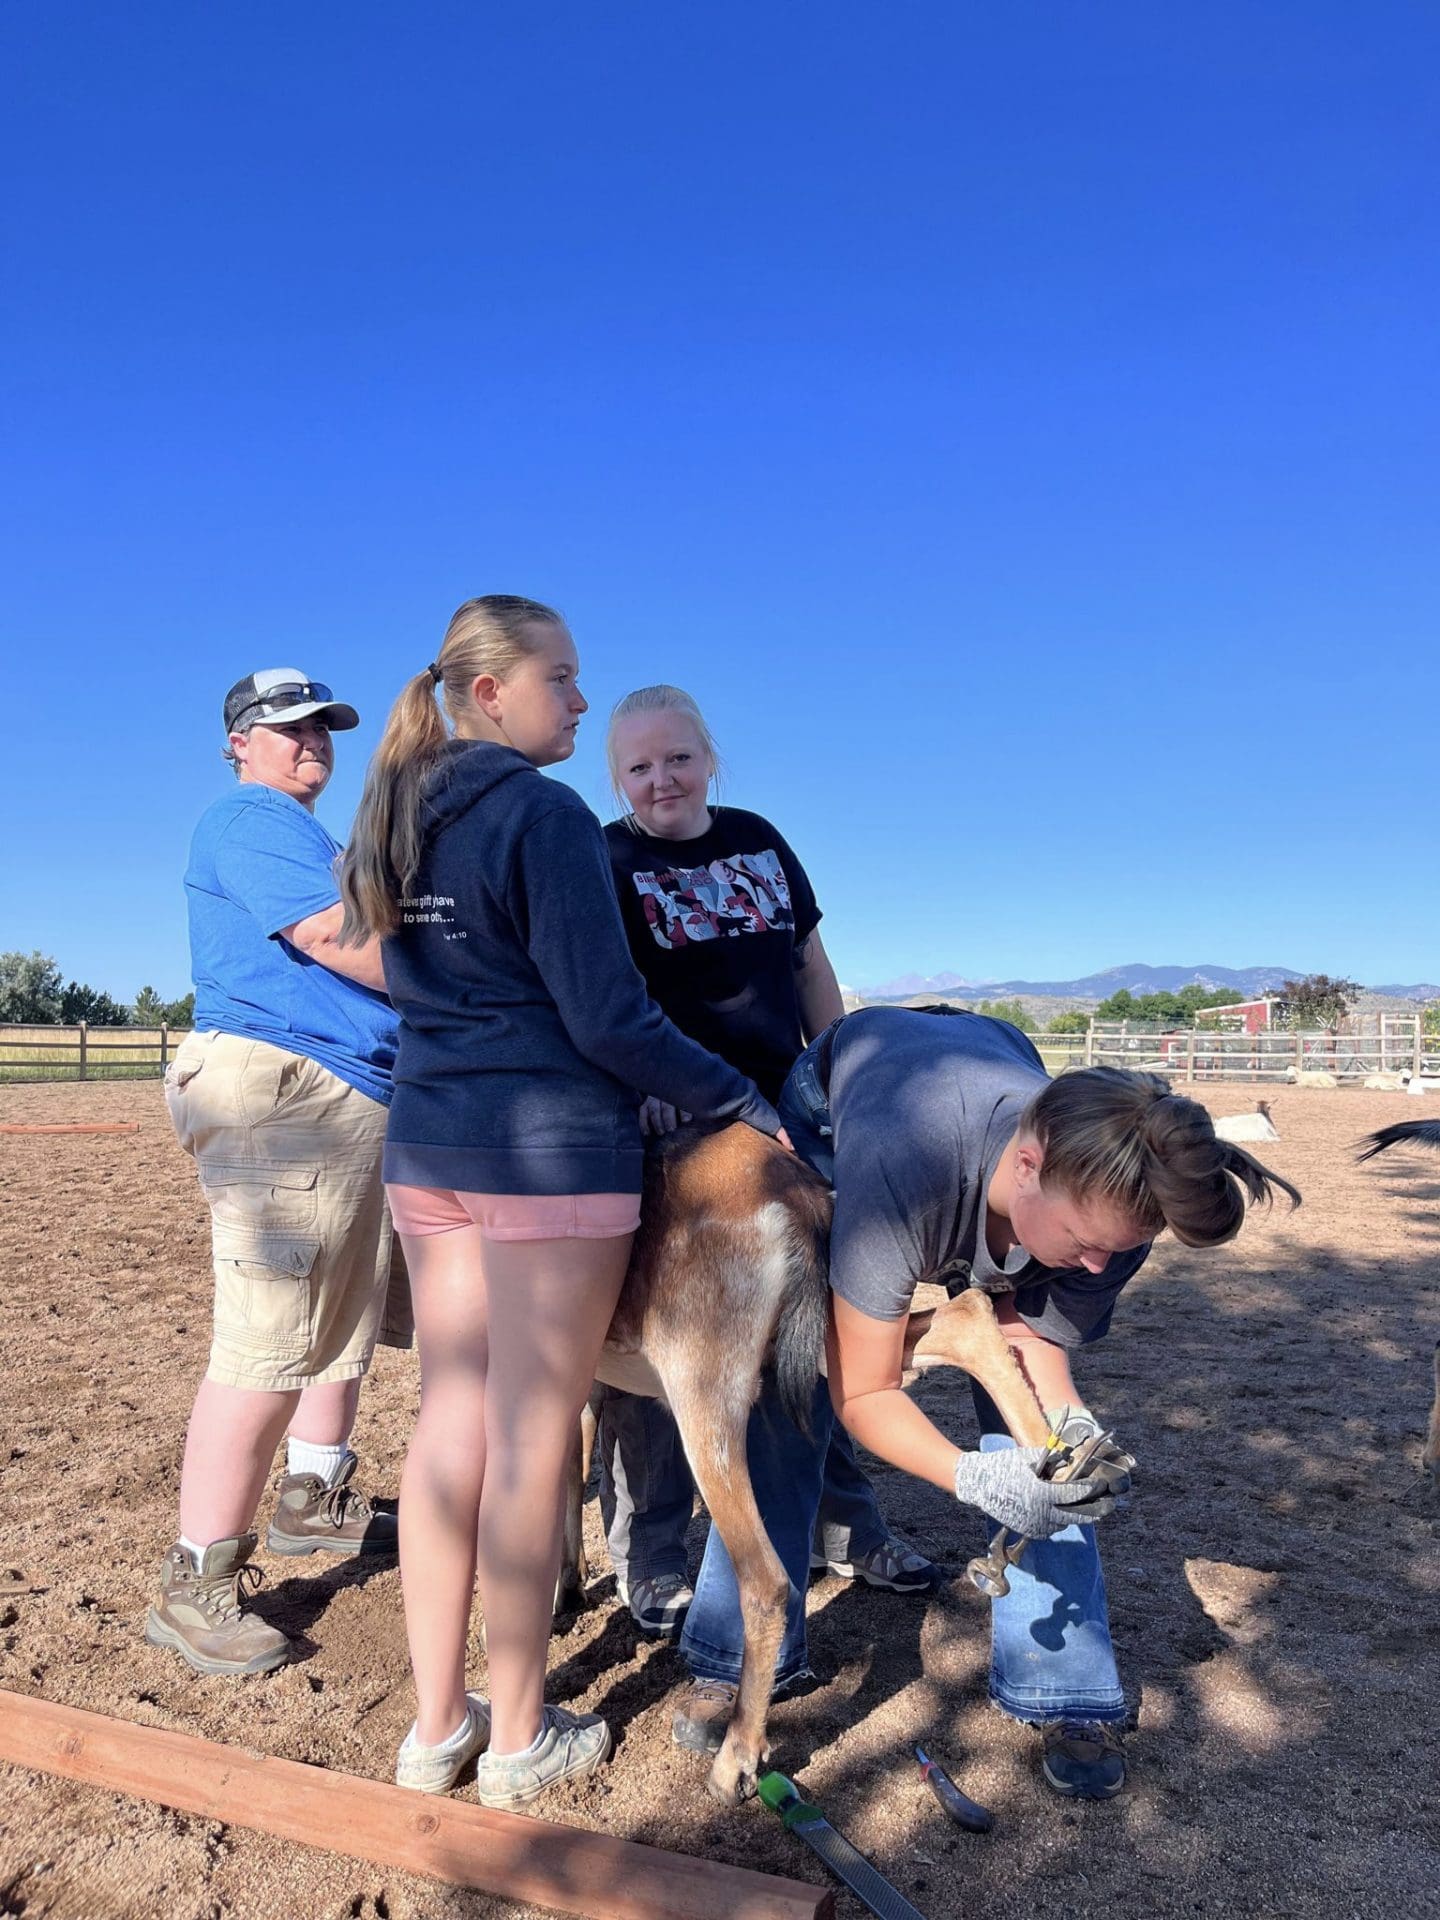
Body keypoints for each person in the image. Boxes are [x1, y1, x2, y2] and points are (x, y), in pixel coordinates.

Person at [337, 596, 786, 1810]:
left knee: (448, 1429)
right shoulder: (539, 814)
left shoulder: (394, 806)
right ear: (492, 694)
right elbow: (608, 1018)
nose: (581, 704)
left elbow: (404, 980)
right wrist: (742, 1097)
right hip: (546, 1159)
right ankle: (521, 1734)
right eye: (564, 679)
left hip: (430, 1149)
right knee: (534, 1444)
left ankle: (438, 1727)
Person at [669, 1007, 1299, 1799]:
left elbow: (1034, 1348)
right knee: (791, 1376)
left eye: (1118, 1247)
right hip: (848, 1102)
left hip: (990, 1081)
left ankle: (1063, 1684)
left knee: (1041, 1447)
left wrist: (1068, 1439)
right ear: (1028, 1165)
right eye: (1083, 1240)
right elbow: (863, 1387)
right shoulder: (908, 1167)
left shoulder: (1113, 1215)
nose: (1099, 1262)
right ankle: (736, 1655)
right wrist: (973, 1479)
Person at [596, 684, 935, 1639]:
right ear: (617, 778)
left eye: (677, 758)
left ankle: (844, 1522)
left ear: (710, 760)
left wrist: (838, 1068)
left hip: (783, 1103)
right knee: (662, 1349)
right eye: (638, 766)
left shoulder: (757, 840)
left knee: (820, 1322)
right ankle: (654, 1553)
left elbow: (807, 964)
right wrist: (646, 1084)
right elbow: (607, 993)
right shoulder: (607, 857)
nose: (661, 779)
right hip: (674, 1112)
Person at [147, 669, 406, 1679]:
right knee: (265, 1340)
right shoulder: (248, 816)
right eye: (287, 727)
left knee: (335, 1319)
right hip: (287, 1094)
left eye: (322, 728)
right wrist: (476, 986)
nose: (311, 742)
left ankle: (314, 1500)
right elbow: (335, 937)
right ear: (240, 742)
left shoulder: (310, 835)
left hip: (333, 1094)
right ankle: (194, 1582)